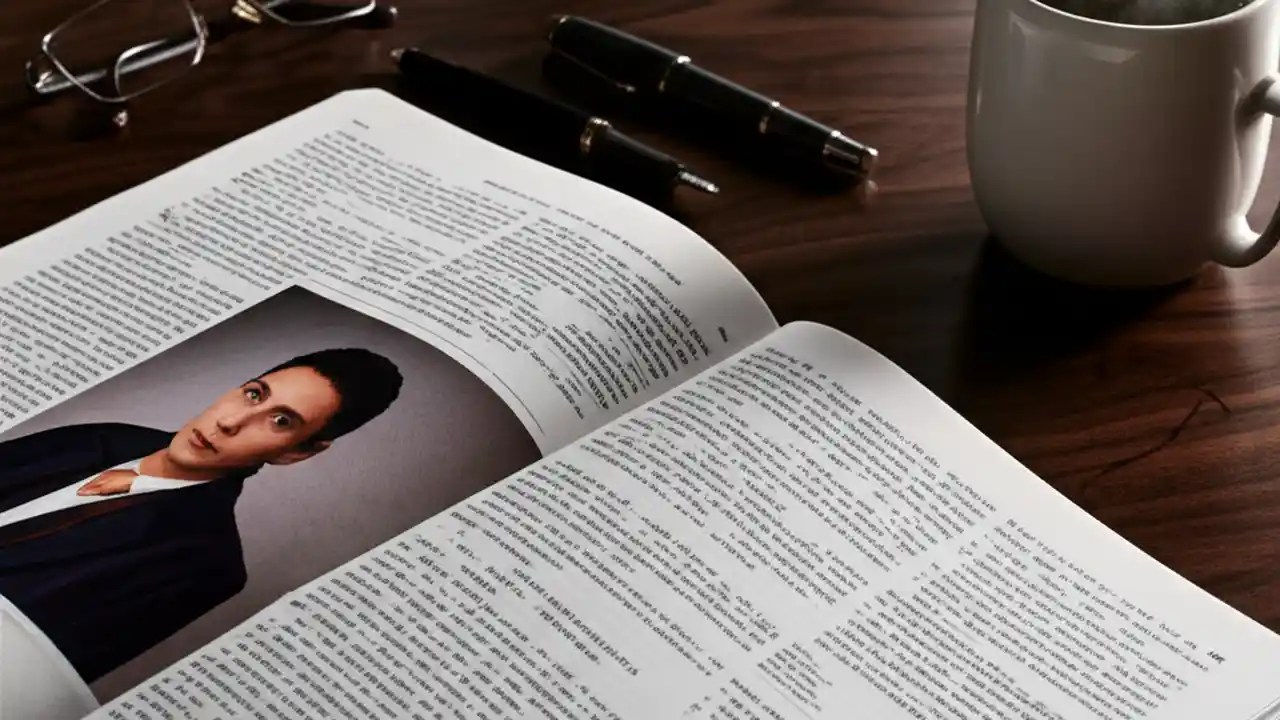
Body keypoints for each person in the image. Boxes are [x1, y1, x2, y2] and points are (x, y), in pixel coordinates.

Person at [0, 348, 402, 683]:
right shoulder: (97, 436)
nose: (229, 422)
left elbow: (38, 679)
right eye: (254, 395)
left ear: (297, 452)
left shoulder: (207, 567)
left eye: (281, 421)